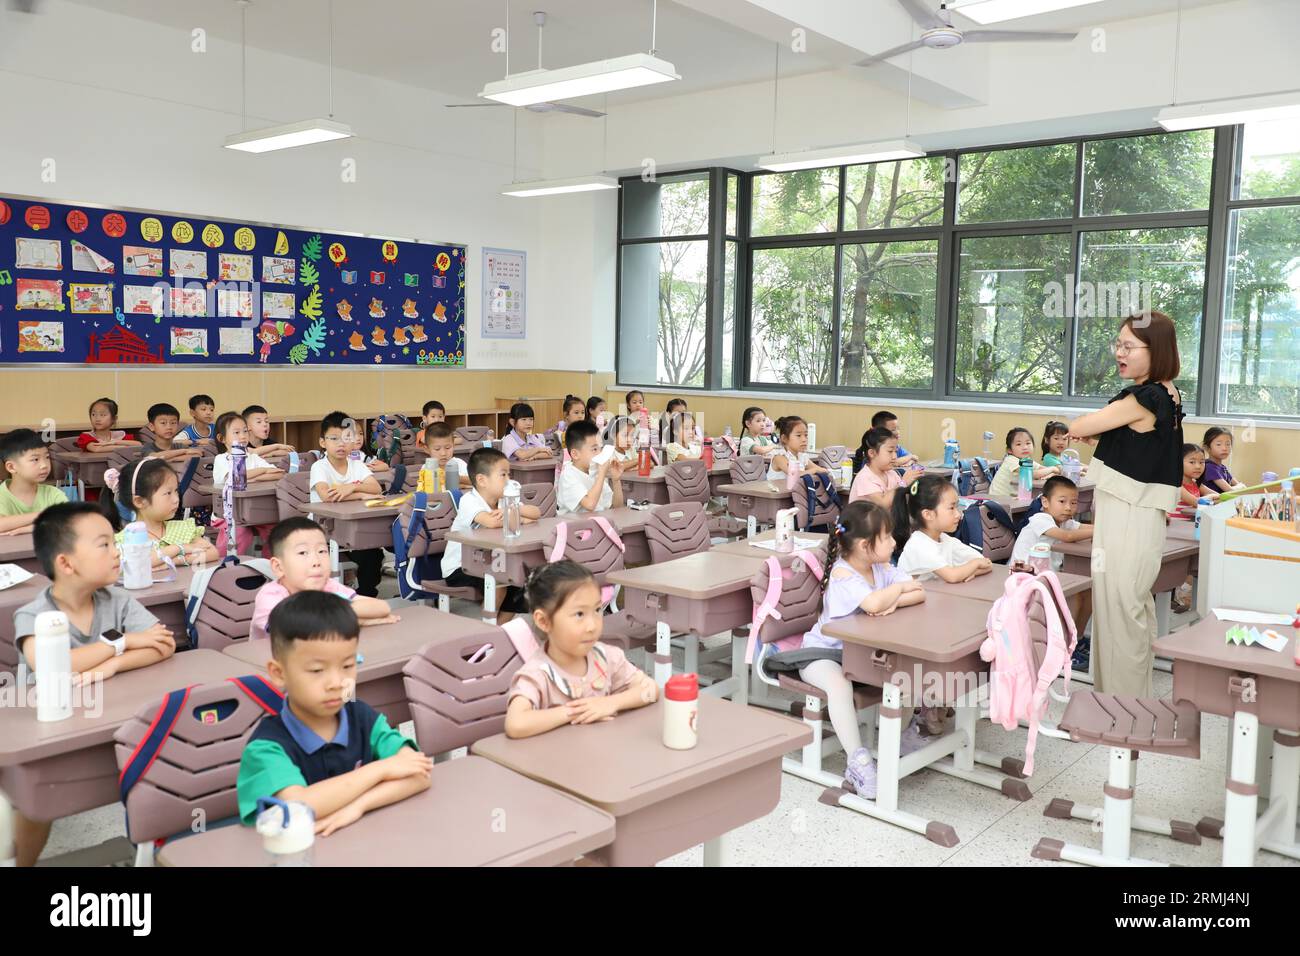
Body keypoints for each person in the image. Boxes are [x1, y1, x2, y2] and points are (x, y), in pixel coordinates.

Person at [12, 503, 176, 865]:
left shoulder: (115, 599)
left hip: (116, 716)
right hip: (52, 734)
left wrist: (112, 666)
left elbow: (163, 644)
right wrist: (121, 642)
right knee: (38, 806)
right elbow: (54, 666)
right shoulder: (35, 615)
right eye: (103, 544)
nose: (117, 551)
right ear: (66, 564)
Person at [235, 591, 431, 832]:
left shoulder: (363, 718)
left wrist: (358, 807)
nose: (336, 682)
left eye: (348, 666)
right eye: (317, 671)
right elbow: (301, 805)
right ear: (278, 673)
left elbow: (419, 774)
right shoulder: (267, 746)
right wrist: (382, 768)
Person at [1066, 311, 1184, 697]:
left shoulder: (1145, 396)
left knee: (1119, 608)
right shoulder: (1167, 392)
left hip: (1128, 513)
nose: (1119, 352)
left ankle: (1120, 709)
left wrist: (1093, 427)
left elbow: (1080, 427)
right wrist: (1107, 433)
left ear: (1157, 351)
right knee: (1130, 607)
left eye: (1128, 346)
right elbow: (1137, 442)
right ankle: (1124, 702)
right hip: (1137, 511)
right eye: (1118, 344)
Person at [795, 500, 925, 798]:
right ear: (866, 546)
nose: (894, 542)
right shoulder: (844, 575)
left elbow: (919, 591)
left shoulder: (879, 568)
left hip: (860, 653)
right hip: (823, 653)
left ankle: (901, 738)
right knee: (839, 686)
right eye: (888, 536)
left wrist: (888, 600)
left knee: (905, 668)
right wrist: (890, 596)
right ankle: (858, 761)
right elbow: (873, 604)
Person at [504, 561, 656, 738]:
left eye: (597, 610)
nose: (592, 625)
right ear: (543, 621)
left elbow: (650, 689)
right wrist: (577, 711)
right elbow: (516, 724)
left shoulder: (606, 657)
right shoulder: (538, 674)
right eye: (579, 614)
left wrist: (610, 703)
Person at [249, 517, 397, 641]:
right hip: (272, 669)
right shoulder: (270, 596)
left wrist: (338, 616)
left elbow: (381, 607)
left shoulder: (328, 586)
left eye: (322, 551)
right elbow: (299, 630)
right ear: (278, 567)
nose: (316, 561)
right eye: (302, 553)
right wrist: (360, 620)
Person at [101, 457, 217, 570]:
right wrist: (178, 549)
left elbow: (212, 553)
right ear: (140, 501)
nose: (176, 499)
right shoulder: (127, 538)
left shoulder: (182, 528)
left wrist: (173, 562)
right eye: (168, 493)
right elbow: (137, 562)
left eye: (176, 491)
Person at [0, 428, 66, 534]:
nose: (44, 465)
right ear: (11, 467)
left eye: (47, 457)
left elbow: (67, 520)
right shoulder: (2, 495)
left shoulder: (53, 493)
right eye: (35, 459)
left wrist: (29, 528)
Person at [558, 420, 624, 514]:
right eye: (594, 449)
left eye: (600, 448)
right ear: (575, 454)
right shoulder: (568, 475)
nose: (599, 453)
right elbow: (590, 505)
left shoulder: (594, 471)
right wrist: (601, 474)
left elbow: (617, 507)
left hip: (597, 523)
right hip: (575, 527)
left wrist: (616, 480)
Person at [987, 427, 1060, 498]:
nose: (1025, 447)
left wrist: (1051, 472)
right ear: (1009, 450)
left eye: (1028, 443)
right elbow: (1033, 474)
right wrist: (1053, 469)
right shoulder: (1011, 460)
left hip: (1015, 499)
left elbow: (1044, 469)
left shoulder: (1027, 460)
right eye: (1019, 444)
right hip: (999, 501)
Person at [76, 398, 140, 453]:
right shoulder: (86, 436)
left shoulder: (119, 436)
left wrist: (115, 442)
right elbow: (96, 449)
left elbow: (139, 445)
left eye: (103, 415)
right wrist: (125, 447)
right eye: (93, 414)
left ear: (114, 419)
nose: (97, 419)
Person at [1201, 426, 1244, 493]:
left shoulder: (1223, 468)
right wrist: (1240, 487)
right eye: (1218, 444)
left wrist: (1240, 487)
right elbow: (1230, 491)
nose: (1224, 448)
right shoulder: (1209, 467)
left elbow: (1238, 485)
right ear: (1207, 448)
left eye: (1228, 444)